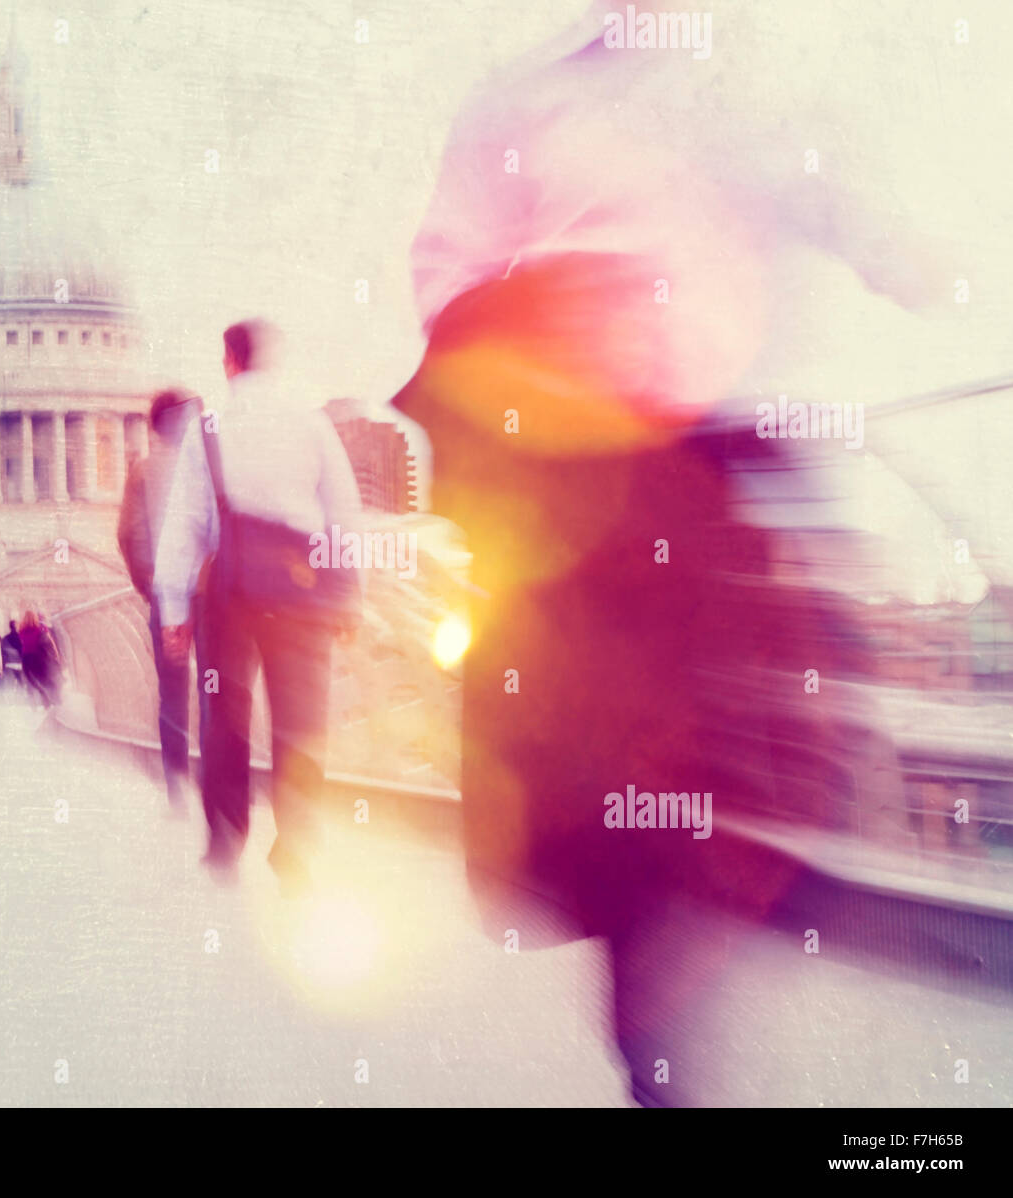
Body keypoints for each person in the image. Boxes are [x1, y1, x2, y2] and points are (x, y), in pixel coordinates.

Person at [390, 6, 943, 1107]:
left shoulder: (713, 86)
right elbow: (448, 265)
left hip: (713, 451)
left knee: (747, 710)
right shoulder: (534, 98)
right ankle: (658, 968)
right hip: (598, 457)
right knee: (619, 741)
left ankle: (706, 908)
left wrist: (902, 255)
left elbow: (813, 185)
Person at [154, 320, 362, 890]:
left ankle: (225, 837)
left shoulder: (210, 428)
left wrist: (173, 608)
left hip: (231, 598)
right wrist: (349, 595)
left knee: (223, 717)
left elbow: (187, 523)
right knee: (302, 726)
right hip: (304, 596)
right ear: (272, 361)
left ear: (229, 361)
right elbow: (343, 514)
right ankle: (296, 850)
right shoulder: (313, 424)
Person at [117, 387, 206, 811]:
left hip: (166, 599)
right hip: (209, 597)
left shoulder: (144, 472)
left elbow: (129, 536)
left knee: (172, 693)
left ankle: (177, 785)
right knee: (216, 689)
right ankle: (214, 778)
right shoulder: (210, 467)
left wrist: (149, 585)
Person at [18, 609, 61, 709]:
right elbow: (48, 643)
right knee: (47, 681)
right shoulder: (40, 629)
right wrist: (55, 656)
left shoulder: (22, 631)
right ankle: (57, 702)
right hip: (38, 658)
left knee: (34, 683)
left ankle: (46, 703)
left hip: (26, 660)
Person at [0, 619, 24, 691]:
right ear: (17, 627)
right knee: (22, 686)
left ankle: (11, 701)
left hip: (9, 665)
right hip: (19, 664)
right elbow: (23, 650)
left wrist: (3, 666)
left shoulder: (5, 638)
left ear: (10, 627)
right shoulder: (21, 637)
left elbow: (2, 652)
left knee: (9, 687)